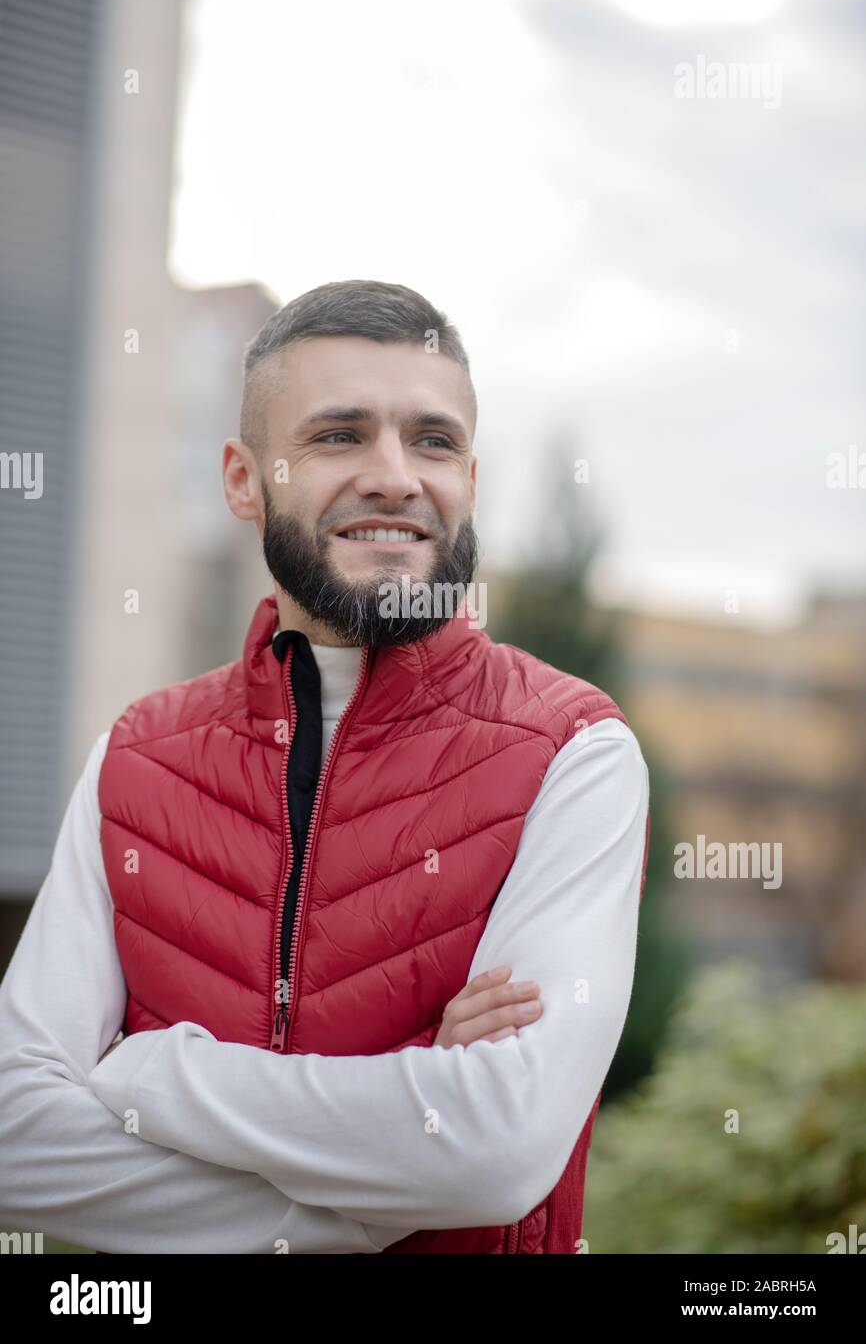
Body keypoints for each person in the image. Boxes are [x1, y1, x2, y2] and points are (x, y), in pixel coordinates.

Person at [0, 279, 650, 1254]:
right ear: (242, 478)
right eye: (339, 435)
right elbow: (16, 1138)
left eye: (431, 441)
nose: (394, 475)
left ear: (468, 479)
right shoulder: (133, 760)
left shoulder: (576, 754)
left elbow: (494, 1154)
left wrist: (155, 1074)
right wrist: (376, 1178)